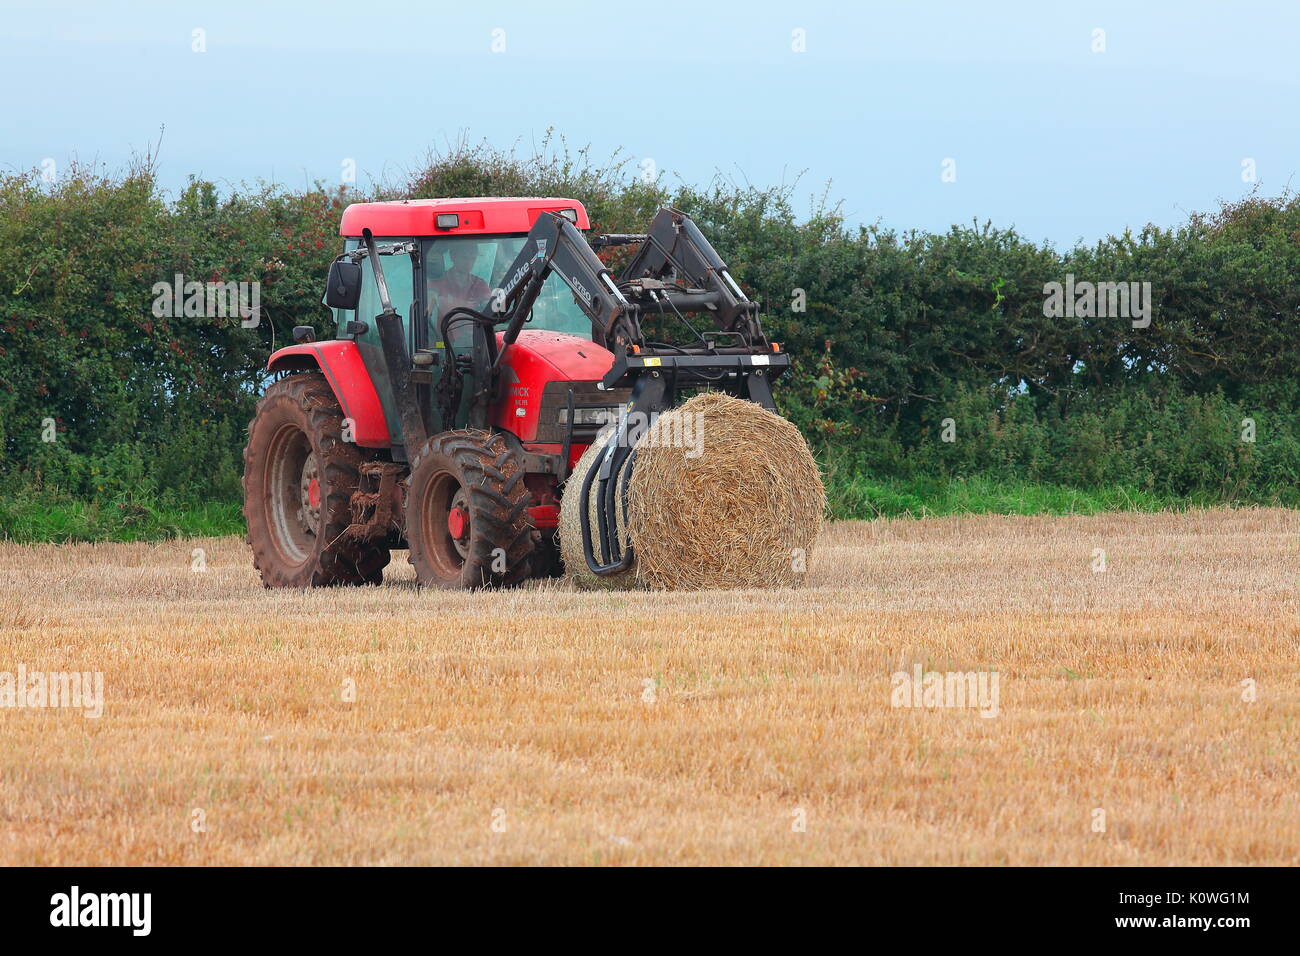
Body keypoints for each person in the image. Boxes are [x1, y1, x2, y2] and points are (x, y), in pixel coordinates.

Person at [428, 242, 491, 327]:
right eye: (464, 258)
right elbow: (427, 309)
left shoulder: (480, 284)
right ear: (452, 256)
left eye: (472, 258)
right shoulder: (438, 282)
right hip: (444, 337)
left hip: (475, 337)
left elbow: (490, 309)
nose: (468, 263)